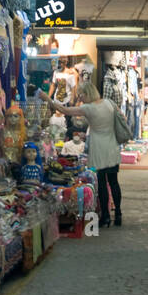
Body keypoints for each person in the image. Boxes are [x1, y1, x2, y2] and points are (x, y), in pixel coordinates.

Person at [38, 80, 123, 228]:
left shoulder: (88, 108)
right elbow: (123, 119)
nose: (80, 99)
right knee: (114, 181)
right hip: (112, 145)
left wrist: (47, 98)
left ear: (87, 93)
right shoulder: (109, 103)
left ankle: (106, 218)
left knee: (102, 182)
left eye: (81, 95)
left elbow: (63, 110)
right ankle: (119, 215)